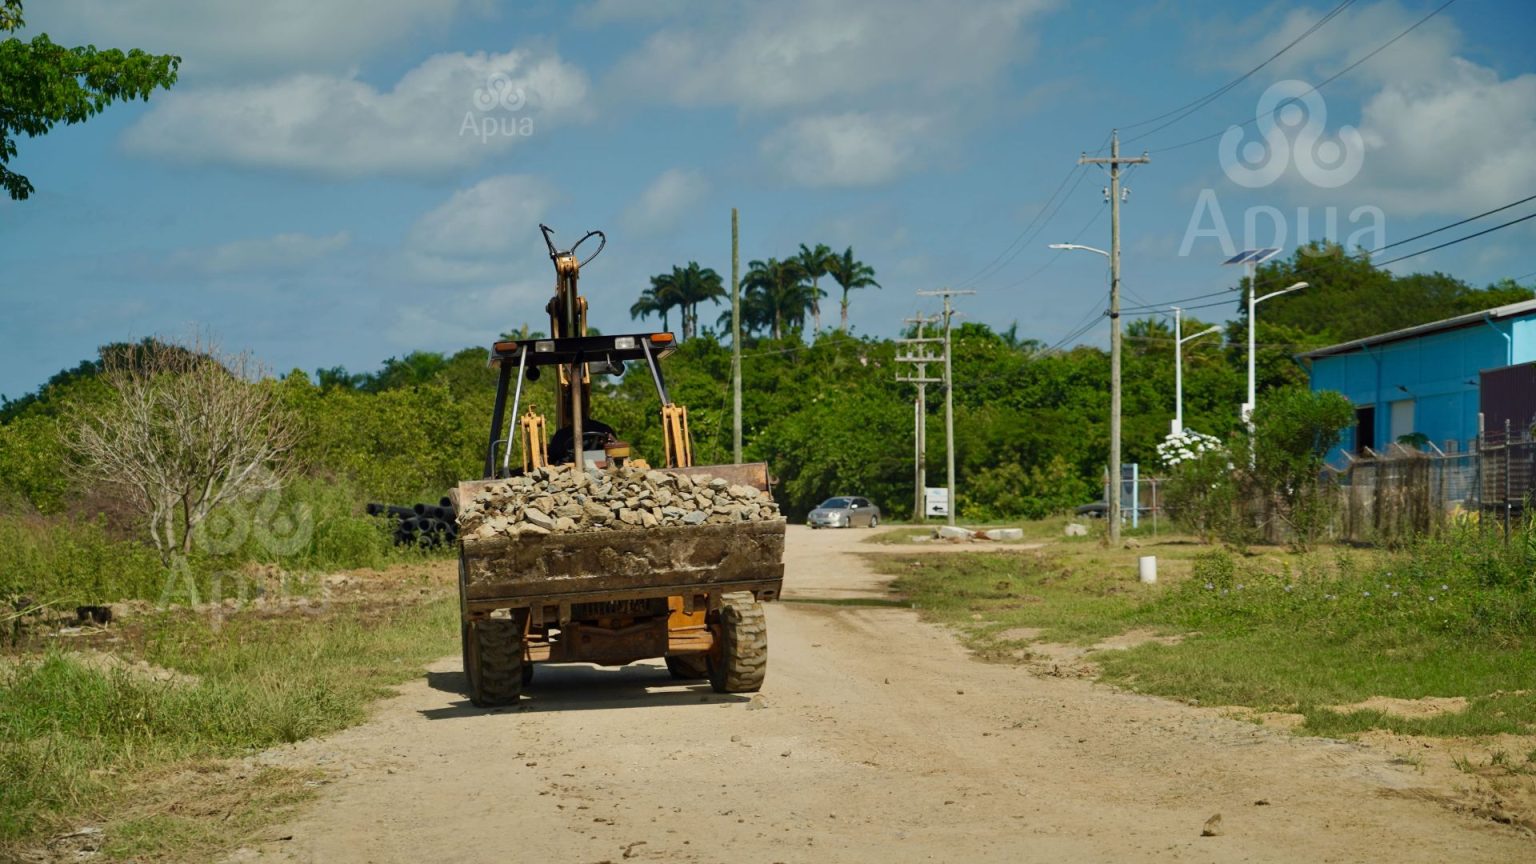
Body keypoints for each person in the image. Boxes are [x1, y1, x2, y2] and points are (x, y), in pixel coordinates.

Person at [547, 417, 617, 466]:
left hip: (602, 468)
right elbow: (552, 459)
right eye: (569, 404)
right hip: (569, 472)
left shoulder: (604, 429)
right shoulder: (561, 434)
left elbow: (615, 451)